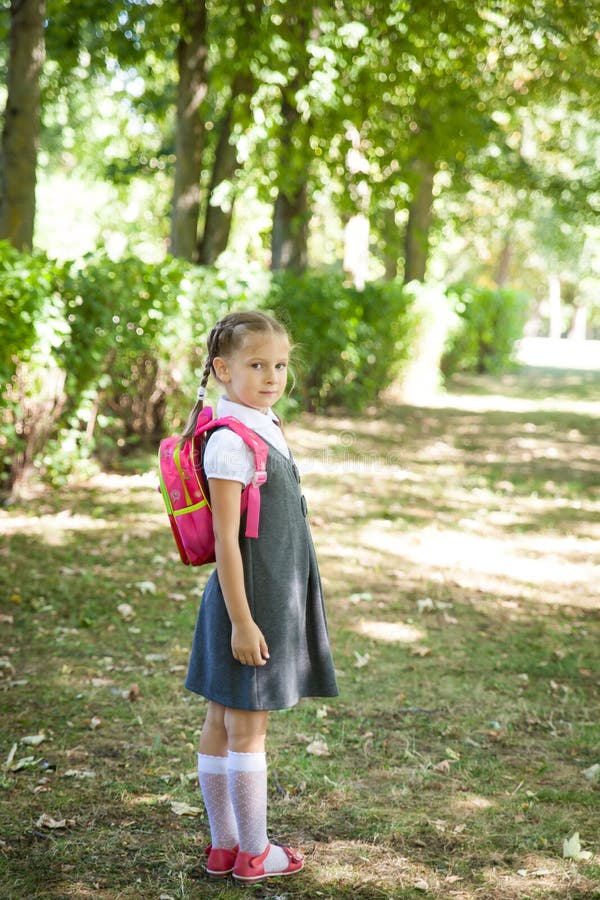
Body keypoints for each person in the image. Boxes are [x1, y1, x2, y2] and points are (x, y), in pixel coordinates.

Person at [181, 311, 338, 884]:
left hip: (262, 594)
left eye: (279, 364)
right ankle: (253, 851)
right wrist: (244, 622)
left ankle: (224, 848)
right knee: (246, 725)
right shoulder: (230, 442)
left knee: (224, 718)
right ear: (222, 370)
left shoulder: (260, 421)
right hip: (248, 601)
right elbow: (226, 540)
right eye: (255, 364)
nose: (272, 375)